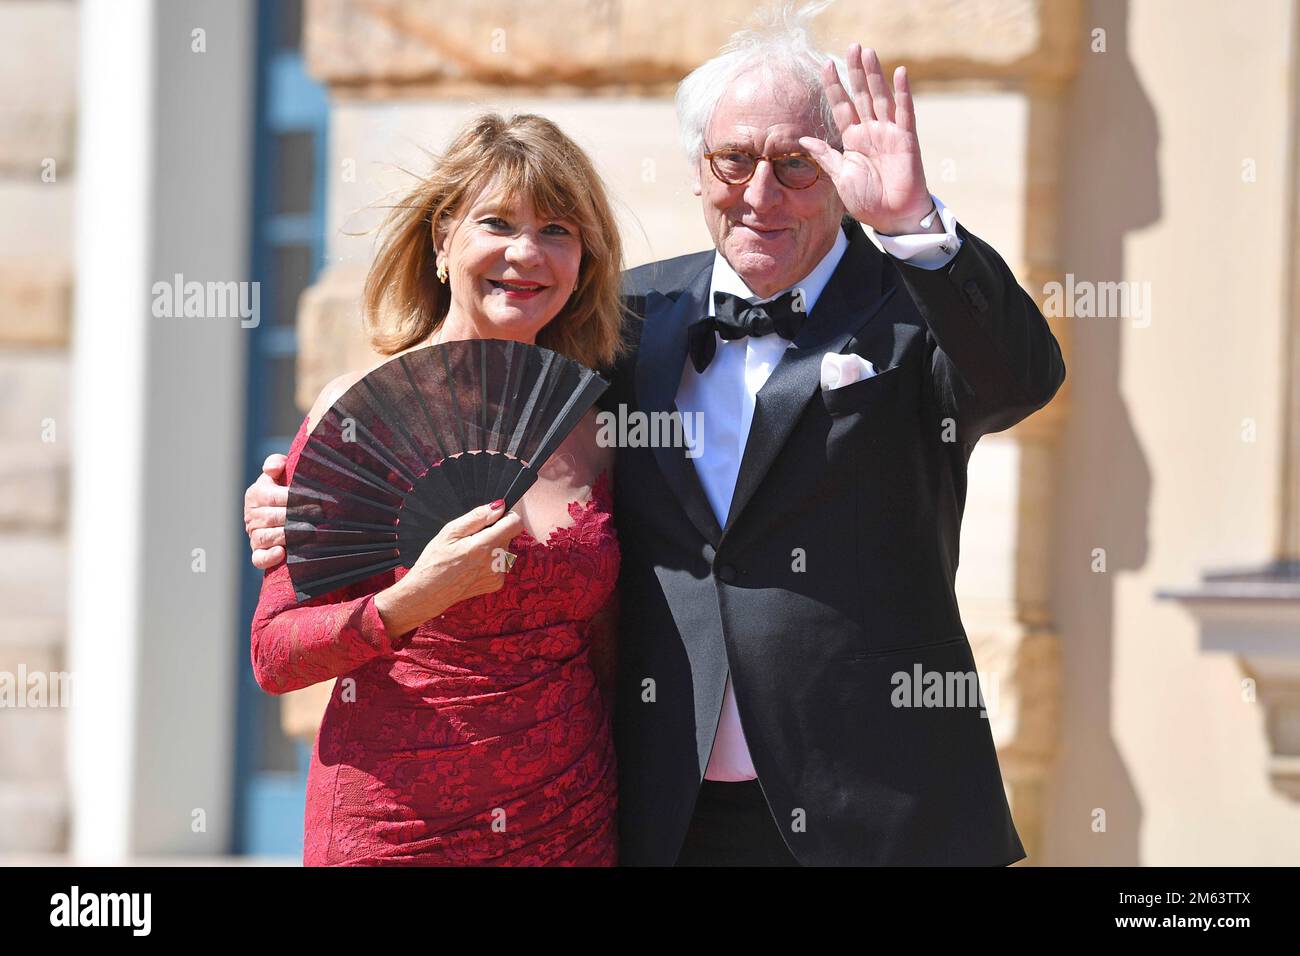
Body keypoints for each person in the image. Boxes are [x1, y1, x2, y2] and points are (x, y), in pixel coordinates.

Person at [247, 11, 1065, 866]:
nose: (760, 193)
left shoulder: (916, 306)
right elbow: (447, 426)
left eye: (797, 163)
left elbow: (1023, 380)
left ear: (840, 171)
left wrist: (913, 226)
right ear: (697, 168)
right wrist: (293, 492)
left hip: (879, 808)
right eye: (734, 161)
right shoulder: (624, 326)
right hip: (661, 815)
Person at [247, 112, 628, 865]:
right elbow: (275, 655)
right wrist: (416, 598)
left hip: (571, 822)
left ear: (583, 260)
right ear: (443, 241)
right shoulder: (356, 417)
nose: (526, 253)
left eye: (557, 229)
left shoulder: (598, 423)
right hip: (398, 828)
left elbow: (613, 641)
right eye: (497, 222)